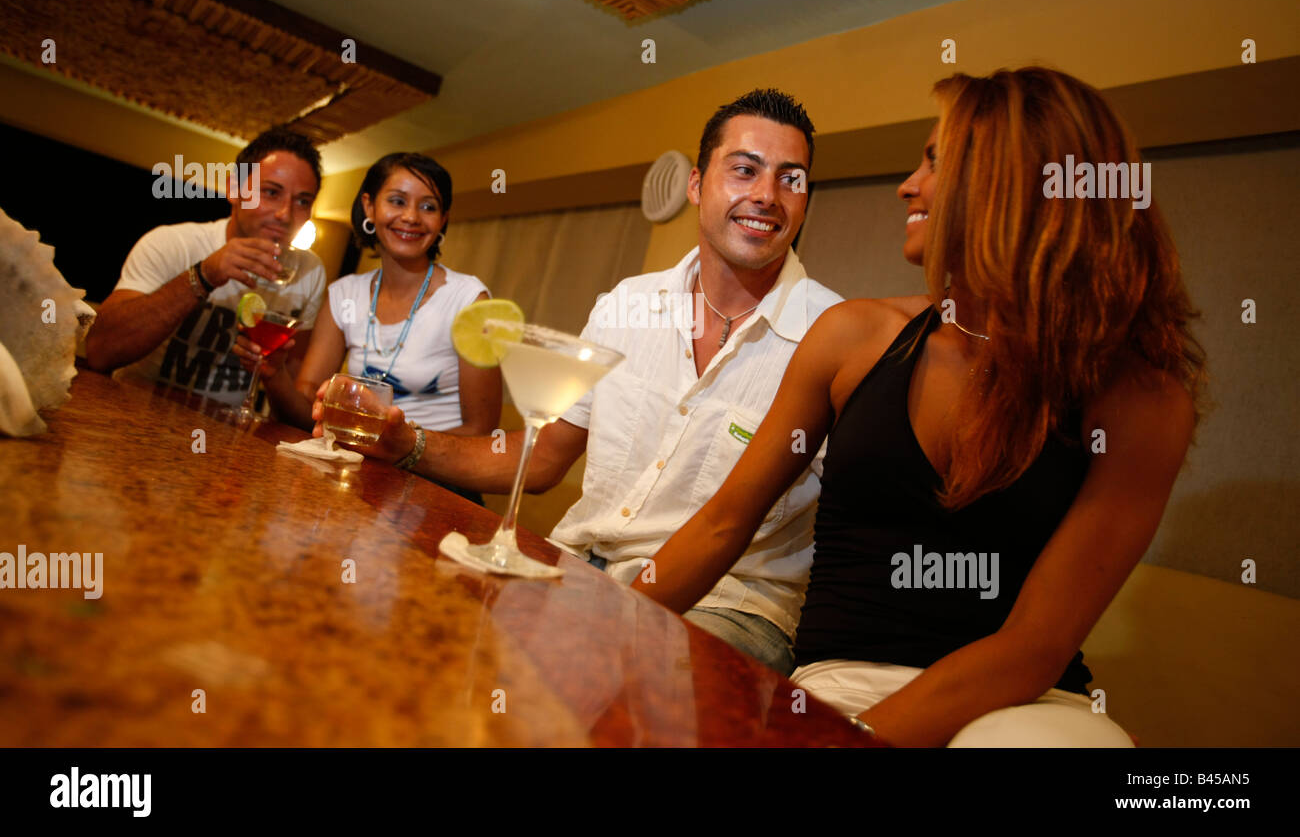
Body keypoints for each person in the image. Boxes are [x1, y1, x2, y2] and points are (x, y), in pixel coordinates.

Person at [631, 67, 1206, 747]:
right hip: (844, 681)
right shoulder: (851, 338)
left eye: (936, 160)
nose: (908, 184)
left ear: (1013, 183)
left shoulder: (1142, 401)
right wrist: (602, 628)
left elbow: (1031, 648)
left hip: (1023, 702)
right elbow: (723, 525)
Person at [313, 89, 849, 674]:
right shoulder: (627, 304)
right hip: (579, 567)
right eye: (744, 169)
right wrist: (407, 444)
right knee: (426, 634)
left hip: (729, 606)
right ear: (697, 185)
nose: (767, 196)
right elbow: (542, 459)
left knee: (633, 688)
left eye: (791, 179)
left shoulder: (831, 334)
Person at [248, 153, 501, 501]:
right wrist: (273, 375)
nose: (411, 217)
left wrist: (399, 445)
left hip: (436, 484)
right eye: (397, 201)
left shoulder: (469, 299)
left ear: (443, 220)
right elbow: (309, 409)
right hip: (358, 470)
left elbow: (481, 431)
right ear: (369, 206)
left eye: (428, 207)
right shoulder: (344, 294)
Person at [86, 127, 326, 408]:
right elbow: (99, 351)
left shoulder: (308, 272)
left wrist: (273, 376)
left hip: (224, 438)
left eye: (302, 201)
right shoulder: (173, 243)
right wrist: (204, 275)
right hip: (132, 414)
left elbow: (297, 401)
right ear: (234, 189)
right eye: (271, 192)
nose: (285, 214)